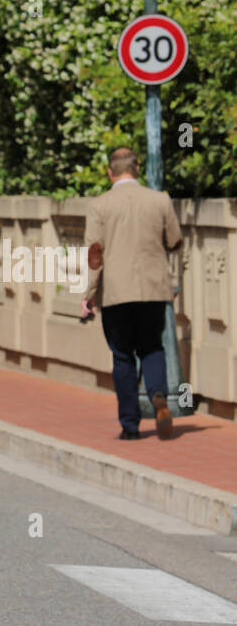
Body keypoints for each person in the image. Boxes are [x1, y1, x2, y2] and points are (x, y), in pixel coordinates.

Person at [82, 148, 183, 441]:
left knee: (123, 356)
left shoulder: (100, 205)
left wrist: (88, 294)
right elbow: (175, 240)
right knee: (152, 347)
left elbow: (95, 254)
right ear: (137, 169)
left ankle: (130, 425)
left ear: (110, 172)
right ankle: (159, 397)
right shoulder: (159, 200)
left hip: (116, 293)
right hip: (153, 289)